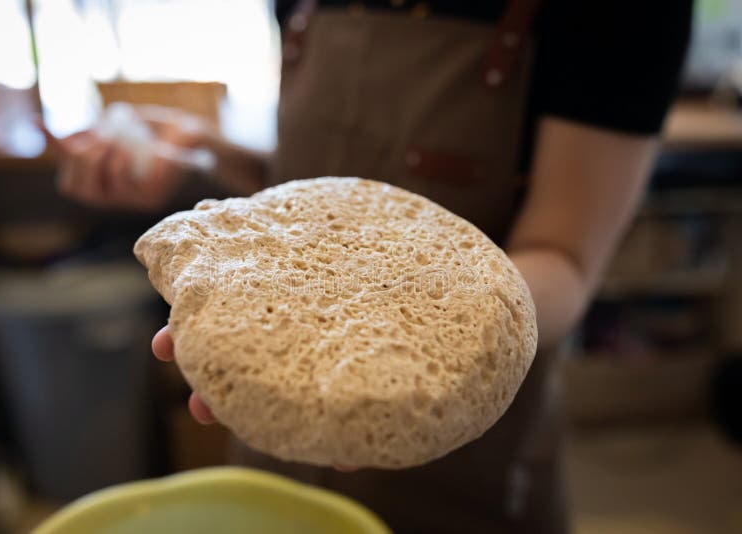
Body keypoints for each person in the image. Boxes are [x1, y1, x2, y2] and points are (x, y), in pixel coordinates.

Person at [42, 1, 693, 532]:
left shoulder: (625, 13)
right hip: (274, 433)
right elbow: (310, 193)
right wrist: (207, 154)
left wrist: (401, 333)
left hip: (456, 446)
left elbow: (568, 259)